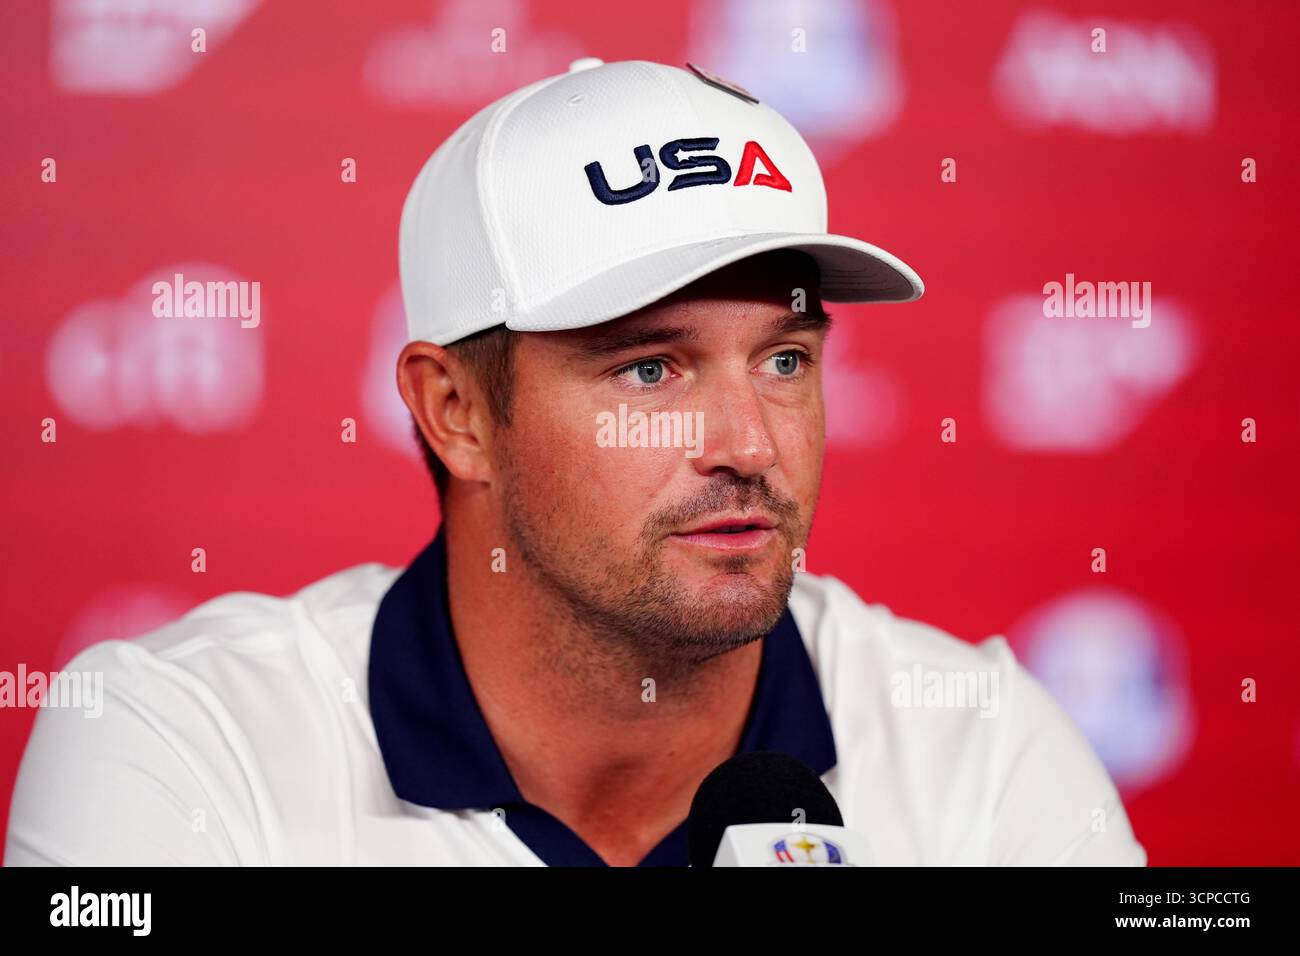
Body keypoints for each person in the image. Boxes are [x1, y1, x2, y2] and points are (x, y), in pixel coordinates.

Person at [5, 58, 1145, 866]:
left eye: (785, 359)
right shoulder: (187, 743)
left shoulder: (982, 748)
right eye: (650, 370)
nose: (750, 443)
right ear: (455, 411)